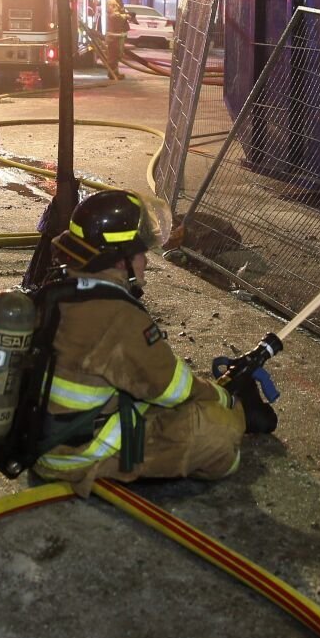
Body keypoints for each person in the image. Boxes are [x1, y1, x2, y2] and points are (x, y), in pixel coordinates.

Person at [31, 189, 275, 494]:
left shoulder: (55, 291)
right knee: (217, 431)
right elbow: (173, 389)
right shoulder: (117, 316)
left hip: (41, 437)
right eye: (140, 253)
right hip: (73, 457)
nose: (146, 262)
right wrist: (231, 399)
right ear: (120, 262)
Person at [105, 0, 130, 76]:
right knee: (113, 55)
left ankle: (114, 72)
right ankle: (112, 73)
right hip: (113, 33)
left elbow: (120, 13)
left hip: (118, 33)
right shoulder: (112, 2)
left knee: (117, 54)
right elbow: (114, 16)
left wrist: (127, 15)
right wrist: (126, 16)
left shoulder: (118, 1)